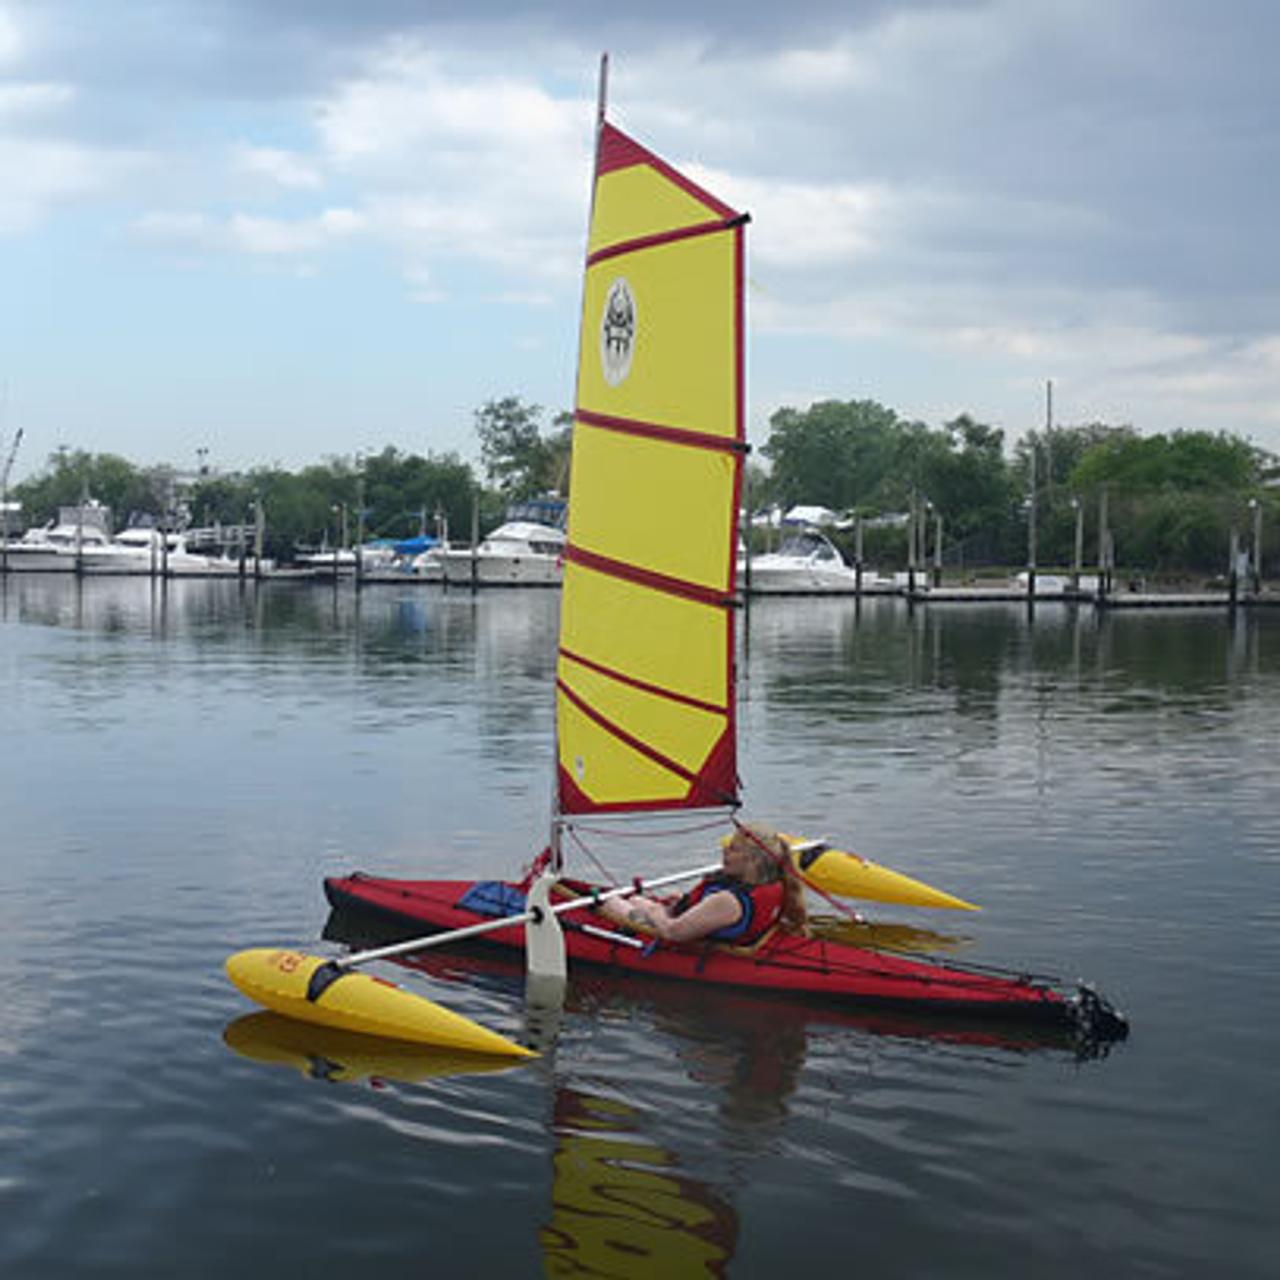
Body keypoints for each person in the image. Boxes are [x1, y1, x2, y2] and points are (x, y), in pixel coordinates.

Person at [599, 823, 808, 945]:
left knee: (609, 902)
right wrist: (686, 902)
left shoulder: (727, 901)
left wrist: (655, 910)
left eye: (733, 849)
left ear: (752, 860)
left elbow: (672, 933)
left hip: (678, 936)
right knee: (635, 899)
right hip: (731, 928)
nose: (725, 852)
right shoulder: (776, 882)